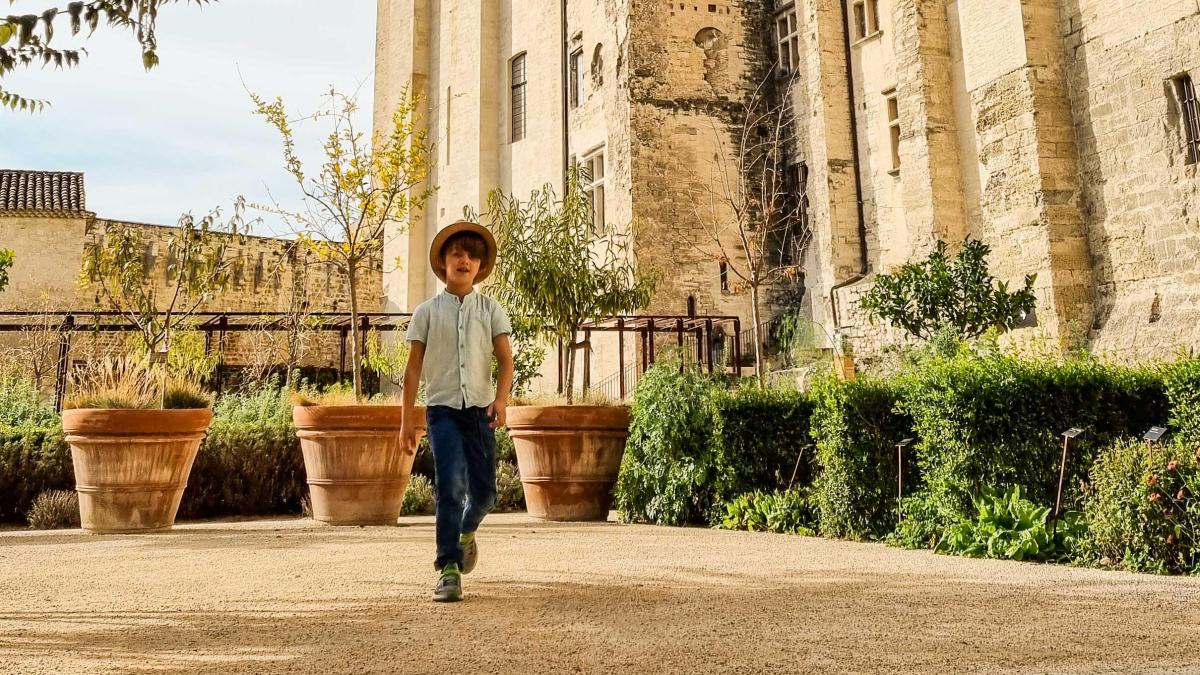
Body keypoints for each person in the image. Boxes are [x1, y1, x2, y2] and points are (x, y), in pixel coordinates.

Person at [400, 220, 514, 603]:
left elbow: (506, 359)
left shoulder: (490, 309)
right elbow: (412, 368)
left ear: (480, 266)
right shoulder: (427, 312)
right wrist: (406, 422)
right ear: (444, 263)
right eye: (456, 253)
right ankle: (448, 567)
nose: (464, 259)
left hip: (480, 412)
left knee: (484, 496)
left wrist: (501, 399)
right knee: (450, 485)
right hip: (442, 411)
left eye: (471, 254)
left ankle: (467, 533)